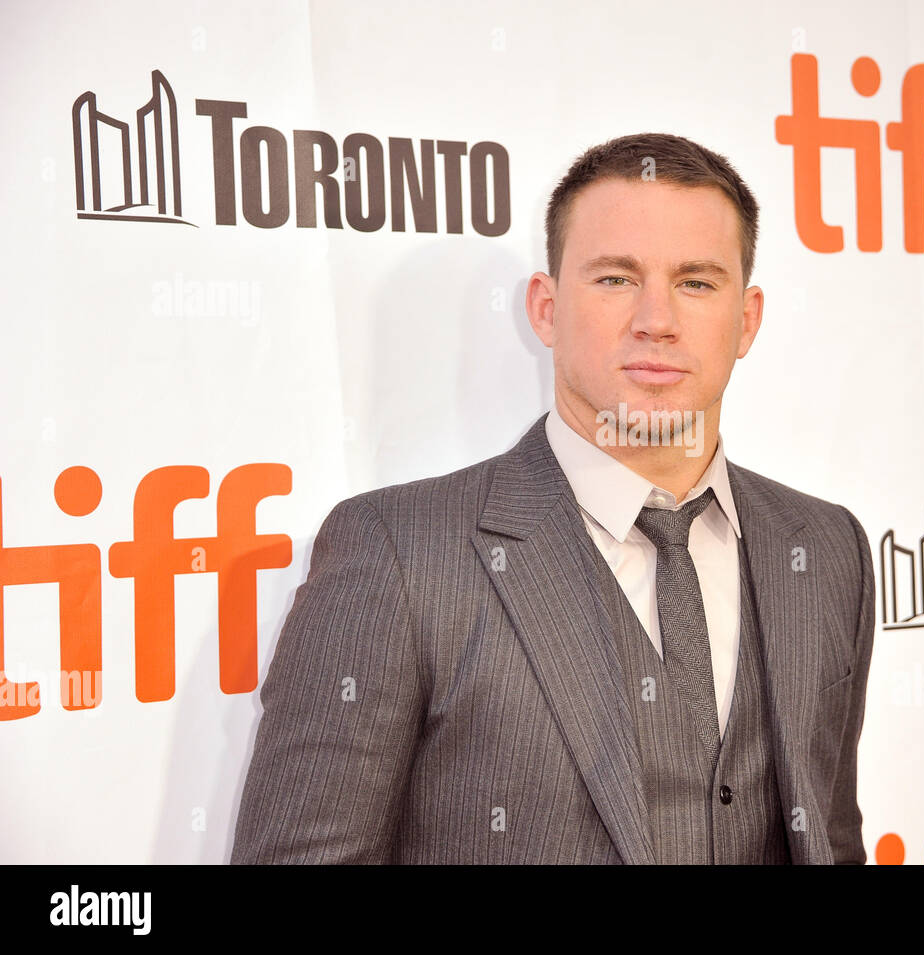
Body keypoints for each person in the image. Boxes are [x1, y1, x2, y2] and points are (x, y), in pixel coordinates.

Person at [230, 132, 876, 864]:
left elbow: (832, 835)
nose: (656, 319)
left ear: (747, 319)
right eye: (614, 279)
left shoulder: (826, 548)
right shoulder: (399, 554)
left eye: (696, 281)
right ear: (545, 308)